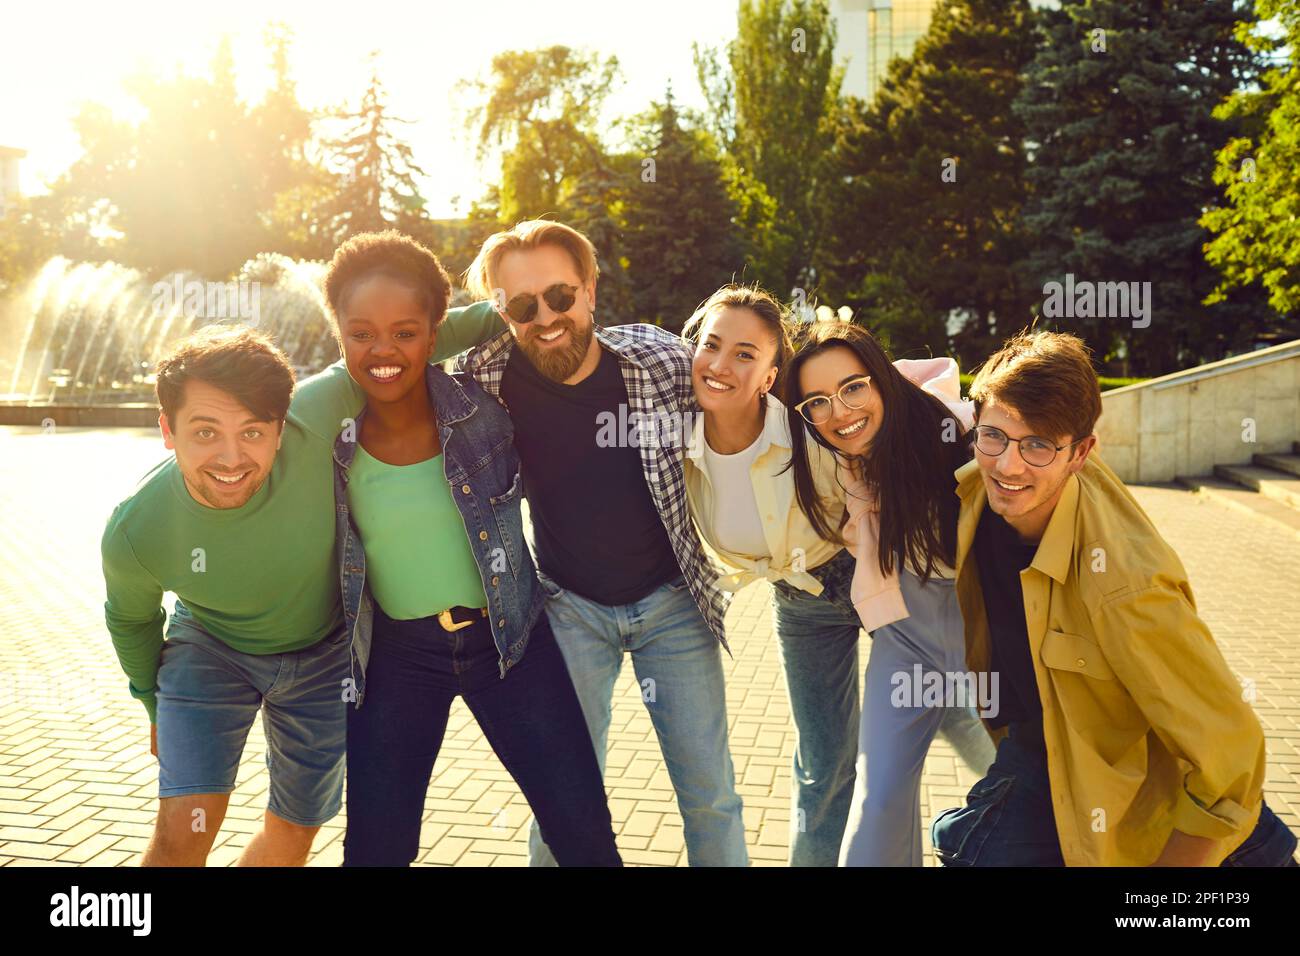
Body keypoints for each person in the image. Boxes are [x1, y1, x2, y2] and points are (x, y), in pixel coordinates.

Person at [103, 299, 501, 867]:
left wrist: (521, 305)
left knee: (293, 831)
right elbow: (131, 619)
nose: (231, 457)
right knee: (186, 827)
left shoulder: (312, 418)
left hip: (324, 656)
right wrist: (151, 705)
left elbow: (408, 340)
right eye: (205, 432)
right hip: (211, 651)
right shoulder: (137, 529)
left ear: (279, 428)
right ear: (168, 430)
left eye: (253, 432)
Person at [933, 329, 1297, 866]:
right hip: (1049, 745)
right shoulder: (976, 487)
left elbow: (1233, 758)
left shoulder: (1127, 586)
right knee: (968, 842)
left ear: (1082, 453)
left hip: (1169, 812)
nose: (1009, 466)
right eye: (995, 437)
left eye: (1037, 445)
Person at [312, 231, 619, 866]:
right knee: (375, 849)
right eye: (362, 333)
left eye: (405, 332)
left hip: (510, 642)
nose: (384, 351)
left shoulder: (486, 411)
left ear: (435, 334)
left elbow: (532, 326)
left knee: (584, 836)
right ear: (339, 332)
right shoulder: (329, 435)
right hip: (396, 656)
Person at [456, 220, 748, 866]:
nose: (547, 318)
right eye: (522, 306)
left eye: (560, 296)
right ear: (501, 314)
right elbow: (397, 349)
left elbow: (752, 404)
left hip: (673, 603)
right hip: (567, 609)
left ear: (590, 290)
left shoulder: (661, 360)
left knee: (710, 797)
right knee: (559, 799)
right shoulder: (483, 379)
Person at [781, 320, 996, 866]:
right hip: (907, 641)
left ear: (881, 379)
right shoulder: (847, 460)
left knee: (1033, 784)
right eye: (817, 403)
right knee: (879, 806)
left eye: (853, 387)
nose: (840, 413)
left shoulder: (958, 437)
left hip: (989, 638)